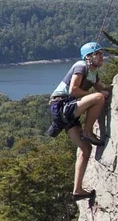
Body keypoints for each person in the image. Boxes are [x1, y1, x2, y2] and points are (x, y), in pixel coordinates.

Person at [46, 42, 110, 199]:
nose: (101, 56)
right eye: (98, 54)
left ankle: (77, 190)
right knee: (98, 97)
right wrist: (99, 94)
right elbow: (74, 90)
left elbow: (103, 88)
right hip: (60, 105)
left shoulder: (93, 73)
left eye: (101, 53)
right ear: (88, 57)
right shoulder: (81, 65)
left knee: (86, 149)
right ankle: (88, 131)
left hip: (66, 111)